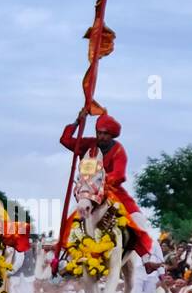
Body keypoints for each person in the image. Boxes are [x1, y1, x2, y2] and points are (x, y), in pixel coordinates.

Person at [59, 107, 153, 257]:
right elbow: (65, 140)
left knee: (138, 219)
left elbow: (119, 174)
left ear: (112, 135)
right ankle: (64, 255)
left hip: (112, 192)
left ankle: (149, 257)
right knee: (70, 218)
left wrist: (100, 182)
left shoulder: (118, 150)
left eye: (105, 134)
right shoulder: (88, 144)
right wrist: (78, 121)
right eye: (99, 132)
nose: (101, 136)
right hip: (87, 192)